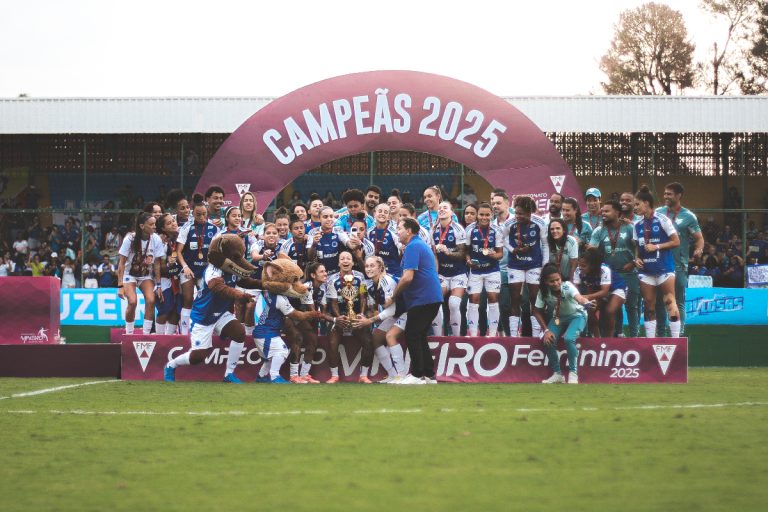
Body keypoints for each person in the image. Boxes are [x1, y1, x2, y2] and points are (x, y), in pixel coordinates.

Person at [164, 235, 265, 383]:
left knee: (239, 332)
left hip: (220, 314)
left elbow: (246, 281)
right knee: (198, 356)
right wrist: (239, 294)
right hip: (203, 316)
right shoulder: (213, 270)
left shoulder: (232, 267)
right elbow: (218, 287)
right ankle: (171, 365)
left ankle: (228, 374)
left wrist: (264, 284)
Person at [388, 218, 443, 384]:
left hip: (423, 298)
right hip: (429, 297)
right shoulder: (417, 245)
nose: (397, 231)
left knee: (412, 333)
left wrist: (393, 296)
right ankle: (428, 375)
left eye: (399, 228)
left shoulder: (413, 246)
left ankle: (417, 374)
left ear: (409, 231)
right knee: (419, 335)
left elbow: (407, 278)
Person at [655, 182, 704, 336]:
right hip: (659, 264)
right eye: (664, 194)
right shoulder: (657, 212)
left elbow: (699, 238)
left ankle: (679, 333)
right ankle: (661, 333)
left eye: (669, 194)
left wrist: (699, 249)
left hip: (679, 264)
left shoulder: (688, 216)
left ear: (678, 195)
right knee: (659, 301)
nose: (665, 197)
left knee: (677, 301)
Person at [534, 263, 595, 385]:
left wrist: (587, 303)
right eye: (552, 281)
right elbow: (536, 311)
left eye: (558, 280)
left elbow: (579, 298)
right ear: (546, 281)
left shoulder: (567, 286)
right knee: (548, 340)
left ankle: (573, 374)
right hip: (559, 318)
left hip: (577, 316)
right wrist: (546, 331)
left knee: (568, 339)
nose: (556, 283)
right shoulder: (543, 292)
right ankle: (558, 375)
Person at [632, 185, 681, 338]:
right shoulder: (637, 225)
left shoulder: (662, 219)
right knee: (648, 305)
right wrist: (637, 258)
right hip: (646, 270)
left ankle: (675, 339)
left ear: (646, 203)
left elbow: (676, 241)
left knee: (669, 301)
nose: (635, 207)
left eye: (637, 204)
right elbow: (637, 247)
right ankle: (650, 341)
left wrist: (657, 246)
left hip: (664, 268)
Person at [589, 200, 640, 337]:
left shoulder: (629, 228)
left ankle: (634, 336)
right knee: (611, 308)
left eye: (607, 211)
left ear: (617, 213)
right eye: (603, 211)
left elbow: (639, 247)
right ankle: (617, 334)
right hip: (608, 276)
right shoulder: (599, 230)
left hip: (629, 273)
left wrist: (634, 262)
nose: (603, 214)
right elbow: (591, 252)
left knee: (632, 306)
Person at [501, 195, 549, 337]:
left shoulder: (540, 223)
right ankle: (514, 336)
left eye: (521, 213)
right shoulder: (509, 224)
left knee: (534, 299)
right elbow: (502, 239)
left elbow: (545, 245)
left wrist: (544, 266)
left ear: (529, 212)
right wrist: (512, 250)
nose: (517, 216)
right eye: (516, 213)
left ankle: (535, 335)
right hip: (515, 265)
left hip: (534, 265)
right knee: (515, 299)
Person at [353, 256, 404, 382]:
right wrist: (363, 314)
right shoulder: (367, 283)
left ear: (380, 268)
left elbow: (392, 309)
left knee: (390, 336)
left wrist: (369, 320)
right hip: (395, 313)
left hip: (407, 311)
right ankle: (392, 375)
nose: (368, 269)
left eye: (372, 266)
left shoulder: (387, 281)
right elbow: (368, 301)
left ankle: (401, 376)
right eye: (366, 266)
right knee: (375, 338)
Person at [325, 251, 373, 383]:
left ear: (352, 262)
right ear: (338, 263)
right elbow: (333, 302)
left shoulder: (360, 277)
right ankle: (334, 375)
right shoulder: (332, 279)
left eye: (348, 259)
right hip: (339, 316)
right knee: (333, 343)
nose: (345, 261)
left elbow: (363, 297)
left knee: (368, 342)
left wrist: (361, 314)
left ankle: (363, 376)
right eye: (342, 259)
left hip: (356, 314)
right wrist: (339, 317)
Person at [176, 195, 220, 335]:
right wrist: (185, 267)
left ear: (207, 213)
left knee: (205, 300)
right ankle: (184, 333)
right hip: (189, 269)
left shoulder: (214, 229)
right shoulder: (186, 228)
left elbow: (218, 252)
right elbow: (178, 252)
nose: (202, 217)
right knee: (188, 299)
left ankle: (203, 330)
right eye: (198, 214)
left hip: (205, 270)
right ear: (193, 213)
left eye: (204, 214)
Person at [117, 212, 165, 334]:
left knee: (151, 300)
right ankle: (129, 333)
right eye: (151, 224)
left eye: (155, 224)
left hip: (146, 276)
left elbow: (157, 264)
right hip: (129, 275)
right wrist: (120, 286)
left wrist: (159, 285)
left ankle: (146, 333)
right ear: (142, 226)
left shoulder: (156, 239)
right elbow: (121, 264)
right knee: (132, 301)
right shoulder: (130, 239)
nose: (155, 226)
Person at [464, 202, 503, 336]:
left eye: (487, 215)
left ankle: (492, 334)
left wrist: (493, 255)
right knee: (474, 299)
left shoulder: (497, 230)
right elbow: (466, 251)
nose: (484, 217)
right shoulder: (469, 230)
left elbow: (500, 253)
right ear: (477, 215)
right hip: (475, 270)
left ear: (491, 215)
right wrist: (468, 260)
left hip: (492, 270)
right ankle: (473, 335)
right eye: (481, 214)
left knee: (493, 298)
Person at [431, 201, 468, 336]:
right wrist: (435, 274)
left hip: (458, 273)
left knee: (453, 303)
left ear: (451, 212)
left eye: (445, 208)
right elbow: (434, 254)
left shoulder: (458, 229)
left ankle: (456, 337)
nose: (441, 210)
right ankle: (438, 338)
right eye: (439, 208)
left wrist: (448, 253)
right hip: (442, 274)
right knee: (434, 301)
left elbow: (463, 254)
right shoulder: (433, 230)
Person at [573, 247, 626, 337]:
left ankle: (609, 340)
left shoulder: (604, 269)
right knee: (589, 309)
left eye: (584, 266)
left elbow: (605, 292)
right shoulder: (578, 270)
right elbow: (575, 289)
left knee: (609, 311)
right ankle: (597, 339)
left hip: (616, 289)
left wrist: (586, 297)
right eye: (579, 265)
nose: (580, 268)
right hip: (597, 291)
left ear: (592, 265)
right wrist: (580, 298)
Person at [155, 213, 182, 334]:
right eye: (169, 223)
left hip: (178, 278)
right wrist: (168, 264)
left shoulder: (181, 235)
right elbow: (158, 267)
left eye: (174, 221)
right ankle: (159, 339)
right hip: (164, 279)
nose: (173, 224)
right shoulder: (160, 241)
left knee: (176, 310)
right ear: (163, 228)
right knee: (166, 309)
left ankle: (169, 337)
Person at [491, 190, 513, 336]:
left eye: (498, 203)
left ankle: (514, 336)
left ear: (507, 203)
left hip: (514, 270)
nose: (495, 206)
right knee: (496, 305)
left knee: (511, 306)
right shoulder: (491, 225)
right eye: (493, 203)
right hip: (495, 270)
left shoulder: (516, 222)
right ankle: (500, 333)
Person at [307, 206, 353, 274]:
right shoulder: (313, 232)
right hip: (321, 274)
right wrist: (314, 244)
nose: (329, 219)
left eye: (331, 216)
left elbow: (349, 244)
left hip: (337, 272)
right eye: (325, 217)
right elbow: (310, 257)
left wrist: (354, 244)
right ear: (319, 219)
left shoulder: (338, 229)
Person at [368, 202, 402, 278]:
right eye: (380, 211)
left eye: (386, 212)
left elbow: (401, 247)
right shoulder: (369, 232)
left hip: (393, 272)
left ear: (389, 216)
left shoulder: (394, 232)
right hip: (376, 273)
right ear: (374, 214)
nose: (382, 214)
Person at [547, 218, 578, 283]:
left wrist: (571, 282)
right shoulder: (546, 242)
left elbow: (574, 265)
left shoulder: (571, 241)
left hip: (567, 278)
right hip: (551, 280)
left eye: (558, 228)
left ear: (563, 230)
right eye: (552, 229)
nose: (554, 231)